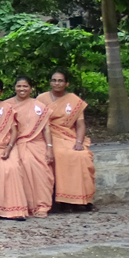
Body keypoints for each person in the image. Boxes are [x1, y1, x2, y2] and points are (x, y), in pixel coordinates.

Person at [37, 71, 96, 211]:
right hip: (49, 136)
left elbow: (80, 124)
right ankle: (62, 201)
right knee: (61, 154)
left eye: (60, 81)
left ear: (66, 83)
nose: (57, 83)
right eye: (54, 80)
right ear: (50, 82)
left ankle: (83, 200)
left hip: (68, 135)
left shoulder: (74, 100)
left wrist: (79, 142)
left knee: (82, 156)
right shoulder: (41, 98)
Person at [0, 79, 29, 220]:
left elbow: (14, 130)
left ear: (1, 92)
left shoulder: (7, 108)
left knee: (13, 167)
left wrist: (9, 148)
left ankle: (15, 209)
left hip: (6, 145)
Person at [10, 76, 55, 218]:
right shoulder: (7, 105)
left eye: (25, 86)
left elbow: (46, 129)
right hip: (16, 144)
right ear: (14, 88)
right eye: (19, 86)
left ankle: (42, 206)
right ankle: (25, 206)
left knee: (42, 169)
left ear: (31, 88)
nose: (22, 89)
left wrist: (49, 148)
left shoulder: (39, 106)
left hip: (37, 143)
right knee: (20, 165)